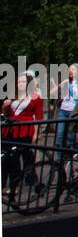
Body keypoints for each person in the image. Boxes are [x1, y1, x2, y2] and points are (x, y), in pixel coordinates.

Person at [2, 70, 42, 205]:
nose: (20, 84)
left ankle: (32, 180)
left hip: (25, 130)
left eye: (23, 81)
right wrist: (5, 106)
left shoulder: (35, 97)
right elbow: (6, 114)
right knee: (11, 158)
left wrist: (36, 133)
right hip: (11, 130)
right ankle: (13, 185)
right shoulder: (13, 96)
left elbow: (39, 117)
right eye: (18, 82)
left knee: (25, 155)